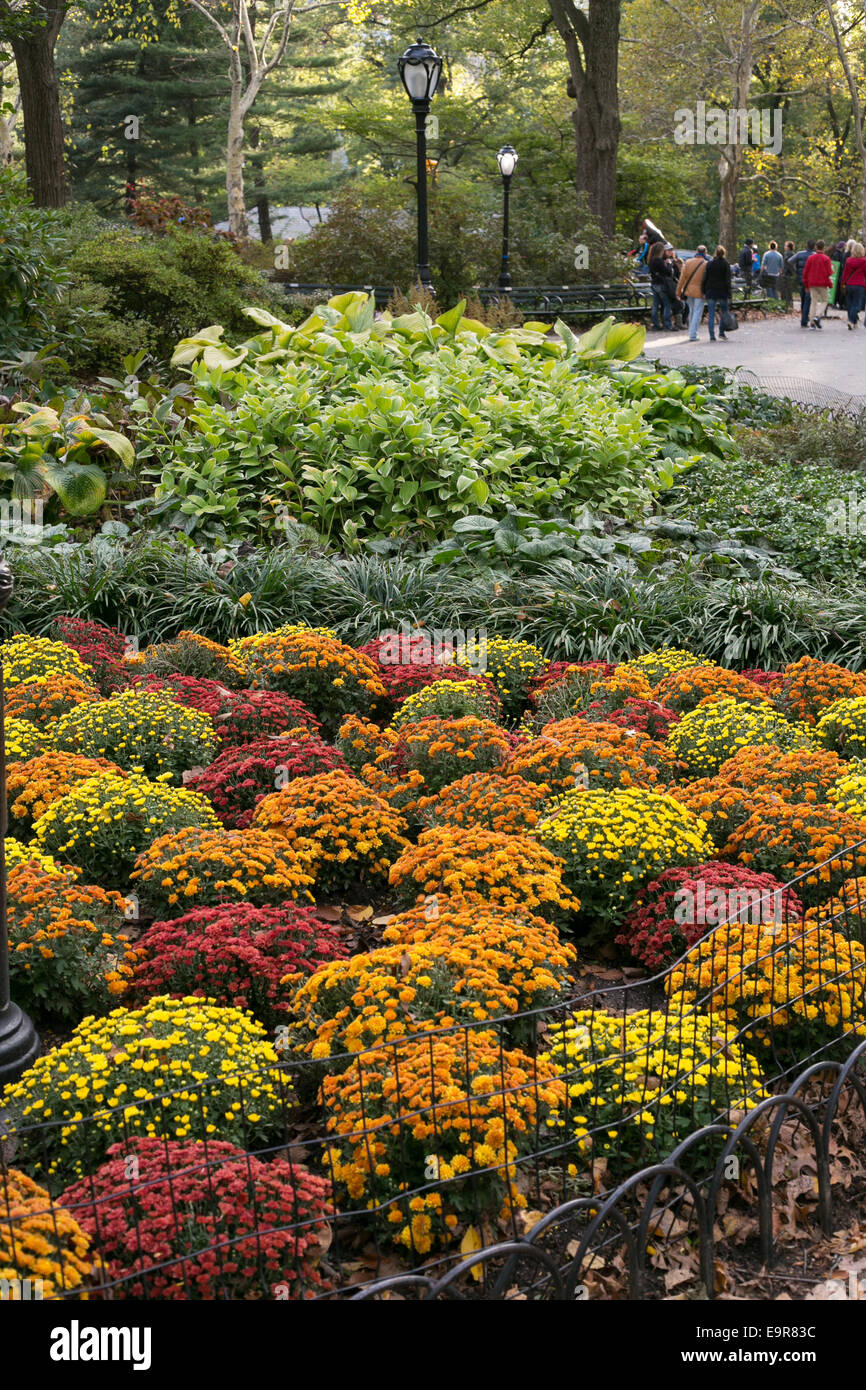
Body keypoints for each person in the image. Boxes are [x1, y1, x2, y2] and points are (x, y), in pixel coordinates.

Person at [677, 244, 710, 341]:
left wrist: (678, 292)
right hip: (700, 292)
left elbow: (682, 279)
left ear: (696, 252)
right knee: (697, 312)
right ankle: (693, 334)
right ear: (705, 253)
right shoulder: (706, 264)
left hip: (688, 291)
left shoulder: (687, 262)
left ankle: (692, 332)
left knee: (691, 311)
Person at [803, 239, 833, 329]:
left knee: (813, 302)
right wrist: (830, 284)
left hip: (812, 283)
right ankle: (818, 315)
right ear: (824, 247)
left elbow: (806, 272)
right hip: (822, 283)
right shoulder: (826, 259)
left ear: (816, 247)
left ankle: (812, 322)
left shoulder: (811, 258)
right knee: (824, 300)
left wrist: (806, 284)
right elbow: (829, 272)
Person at [704, 245, 733, 341]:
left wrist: (704, 290)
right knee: (724, 312)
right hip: (722, 291)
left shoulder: (710, 263)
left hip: (711, 291)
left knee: (711, 314)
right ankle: (721, 332)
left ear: (715, 253)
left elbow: (705, 278)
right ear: (724, 253)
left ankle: (712, 336)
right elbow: (728, 280)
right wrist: (730, 294)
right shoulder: (725, 264)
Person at [788, 239, 815, 327]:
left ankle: (804, 317)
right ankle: (804, 319)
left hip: (800, 278)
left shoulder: (799, 254)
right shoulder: (814, 255)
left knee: (803, 298)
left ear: (806, 245)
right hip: (810, 280)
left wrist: (795, 271)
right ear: (814, 247)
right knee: (808, 300)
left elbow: (789, 262)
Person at [841, 241, 866, 328]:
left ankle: (854, 323)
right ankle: (851, 321)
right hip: (859, 285)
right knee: (856, 305)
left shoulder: (848, 260)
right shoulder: (864, 261)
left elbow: (845, 273)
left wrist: (843, 283)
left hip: (849, 284)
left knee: (850, 304)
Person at [782, 241, 796, 309]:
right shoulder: (787, 254)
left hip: (787, 275)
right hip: (787, 274)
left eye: (785, 246)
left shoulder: (790, 254)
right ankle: (788, 305)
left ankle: (788, 305)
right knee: (787, 291)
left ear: (789, 247)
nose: (784, 247)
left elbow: (790, 265)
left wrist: (786, 272)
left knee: (787, 291)